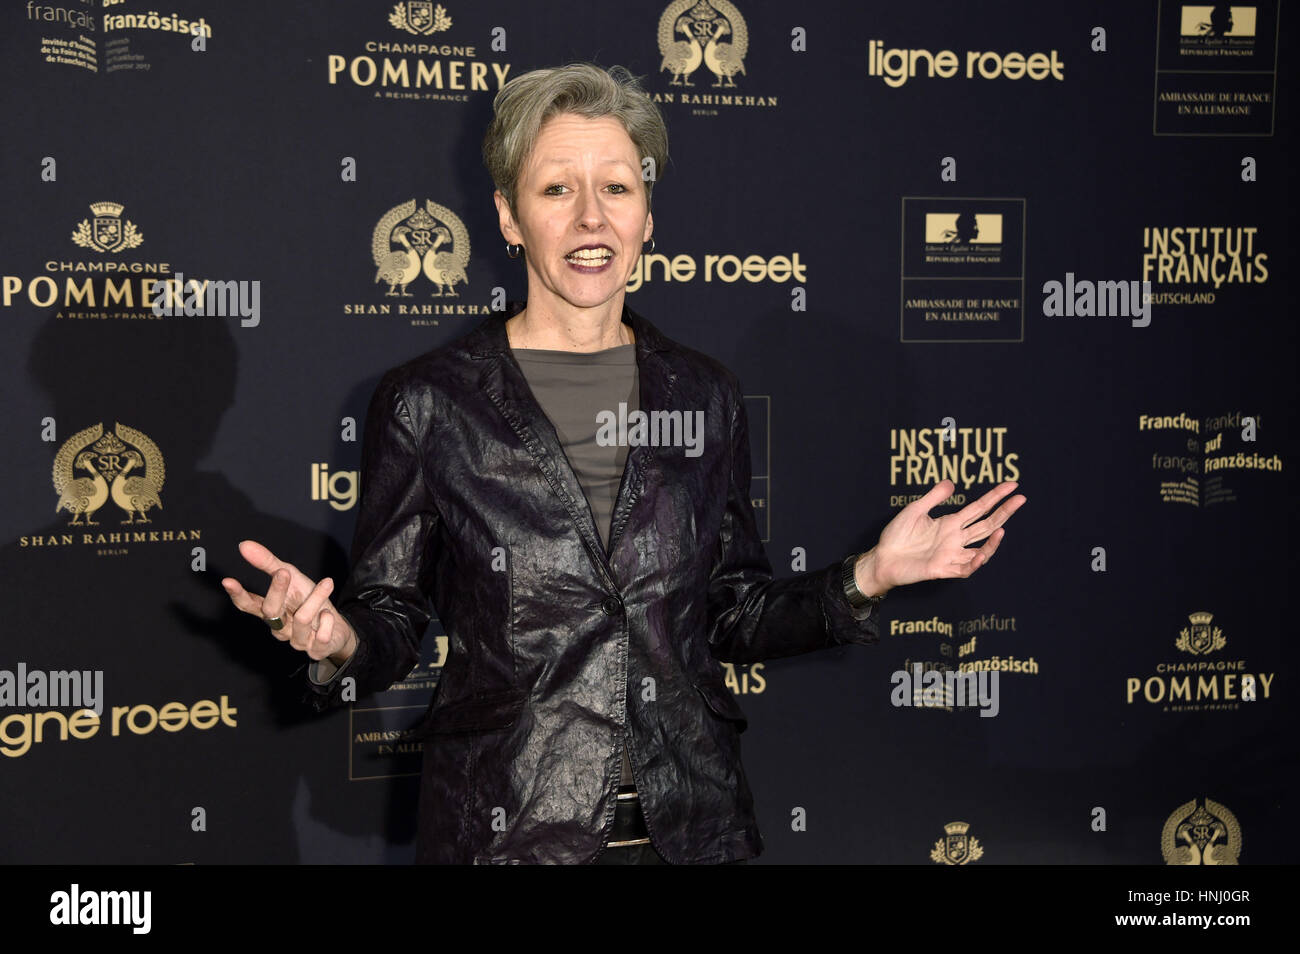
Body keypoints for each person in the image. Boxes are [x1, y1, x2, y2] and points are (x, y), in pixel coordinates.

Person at [221, 62, 1026, 864]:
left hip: (694, 833)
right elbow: (391, 619)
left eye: (616, 188)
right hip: (510, 837)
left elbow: (731, 612)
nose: (590, 219)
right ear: (508, 217)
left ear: (647, 216)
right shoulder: (429, 403)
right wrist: (335, 640)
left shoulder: (705, 394)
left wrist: (870, 576)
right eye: (555, 191)